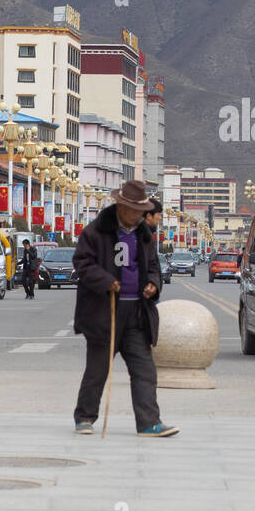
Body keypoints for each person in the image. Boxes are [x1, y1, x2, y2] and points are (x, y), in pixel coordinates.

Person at [71, 179, 177, 438]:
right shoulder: (96, 231)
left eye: (141, 211)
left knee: (144, 369)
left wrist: (153, 283)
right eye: (133, 210)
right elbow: (82, 263)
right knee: (98, 369)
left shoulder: (144, 234)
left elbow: (153, 266)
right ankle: (85, 417)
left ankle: (149, 422)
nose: (137, 216)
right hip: (104, 311)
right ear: (120, 206)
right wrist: (106, 281)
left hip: (137, 312)